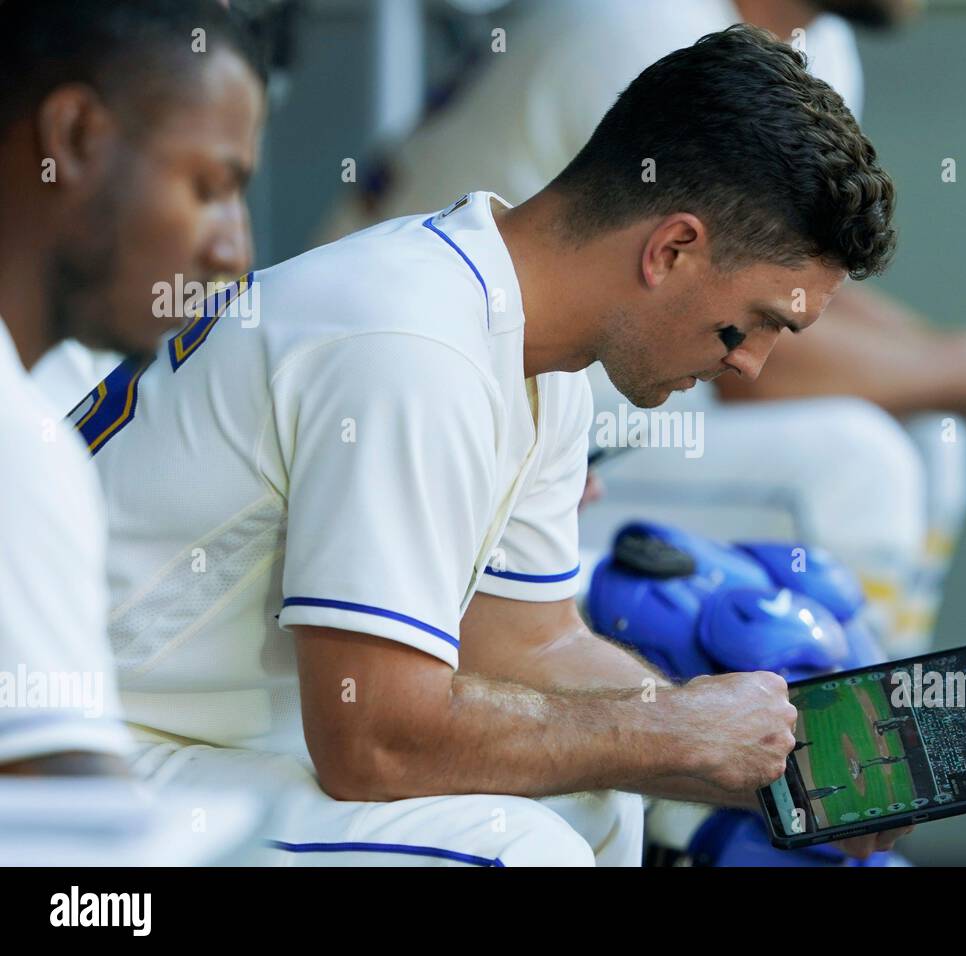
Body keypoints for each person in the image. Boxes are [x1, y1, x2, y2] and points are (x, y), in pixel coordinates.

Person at [82, 25, 913, 865]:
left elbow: (527, 644)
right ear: (672, 249)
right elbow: (374, 741)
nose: (752, 360)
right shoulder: (417, 345)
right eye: (764, 319)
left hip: (198, 745)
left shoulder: (523, 337)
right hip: (79, 759)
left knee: (599, 803)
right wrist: (672, 731)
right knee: (521, 851)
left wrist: (764, 759)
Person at [321, 0, 966, 655]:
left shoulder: (812, 48)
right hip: (418, 402)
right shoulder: (646, 31)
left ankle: (828, 776)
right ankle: (812, 790)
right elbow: (756, 356)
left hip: (569, 404)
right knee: (858, 467)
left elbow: (788, 296)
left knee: (931, 434)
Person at [0, 0, 266, 774]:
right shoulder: (17, 452)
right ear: (75, 136)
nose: (235, 249)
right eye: (211, 185)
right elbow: (90, 873)